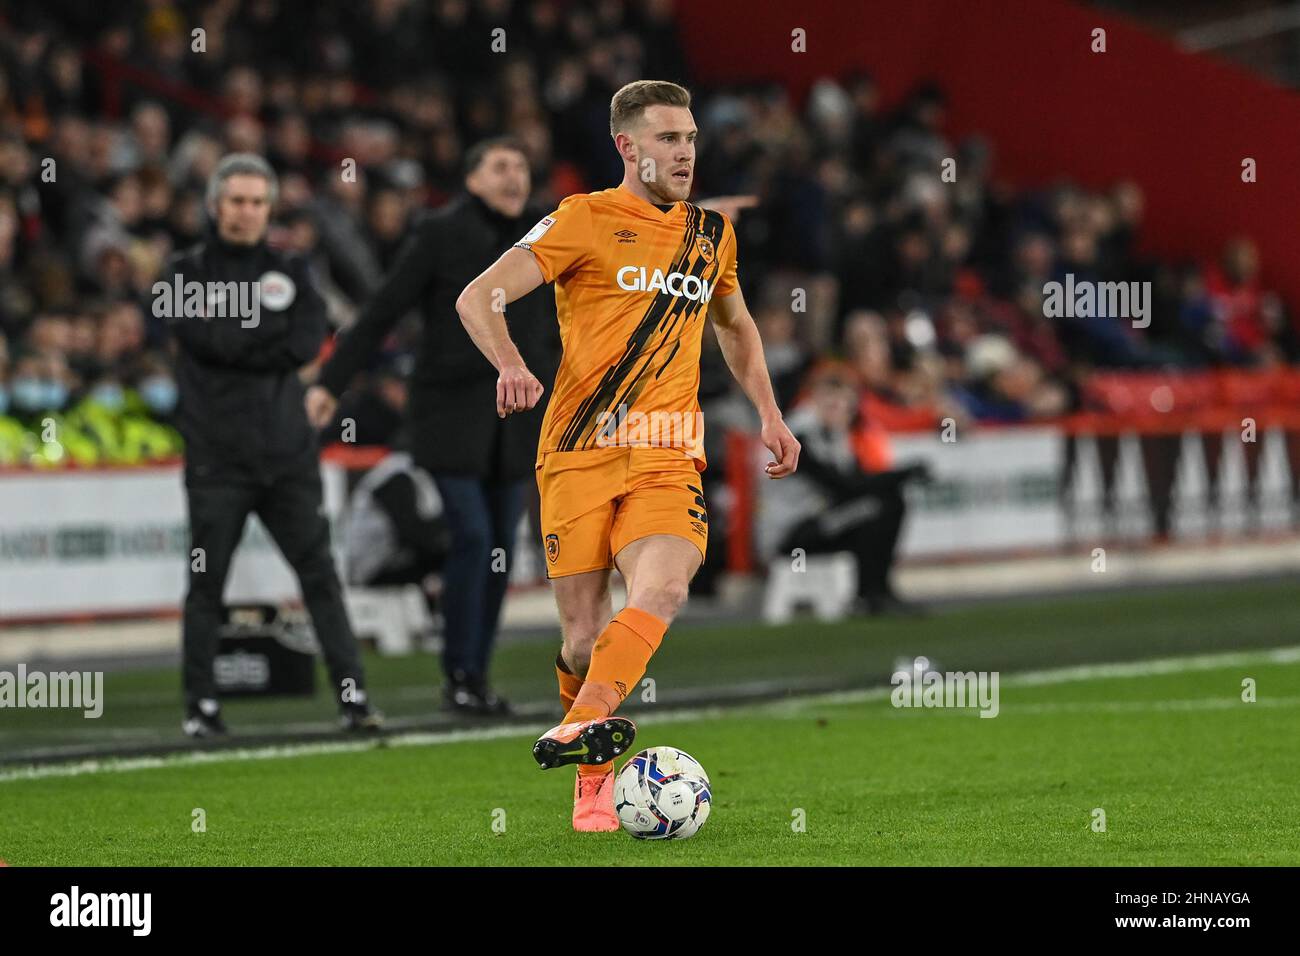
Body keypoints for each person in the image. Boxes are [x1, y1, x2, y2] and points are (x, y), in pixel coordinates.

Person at [456, 80, 800, 831]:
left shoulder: (712, 235)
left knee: (665, 589)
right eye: (669, 140)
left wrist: (770, 412)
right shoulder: (581, 219)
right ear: (628, 147)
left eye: (691, 139)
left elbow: (736, 327)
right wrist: (511, 364)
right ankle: (592, 780)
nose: (685, 154)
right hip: (576, 451)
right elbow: (478, 296)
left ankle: (582, 727)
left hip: (668, 453)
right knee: (583, 641)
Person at [305, 137, 558, 714]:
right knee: (471, 536)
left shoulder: (546, 234)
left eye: (520, 166)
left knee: (499, 547)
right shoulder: (441, 233)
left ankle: (474, 673)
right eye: (499, 166)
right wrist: (329, 382)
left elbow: (565, 324)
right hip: (451, 417)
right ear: (471, 179)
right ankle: (459, 672)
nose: (513, 176)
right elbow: (381, 311)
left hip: (518, 420)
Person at [166, 153, 381, 737]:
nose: (247, 211)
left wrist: (242, 336)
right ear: (215, 206)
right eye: (236, 200)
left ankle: (353, 697)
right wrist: (265, 336)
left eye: (258, 201)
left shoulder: (294, 267)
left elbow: (308, 343)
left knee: (319, 576)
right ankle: (201, 707)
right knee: (206, 582)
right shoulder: (183, 271)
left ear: (268, 207)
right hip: (217, 458)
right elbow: (205, 339)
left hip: (288, 454)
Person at [760, 361, 931, 616]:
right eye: (831, 402)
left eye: (845, 404)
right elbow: (844, 486)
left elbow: (855, 480)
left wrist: (897, 478)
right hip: (790, 531)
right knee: (876, 510)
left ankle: (876, 591)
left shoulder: (833, 432)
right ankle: (870, 594)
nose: (840, 410)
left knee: (887, 502)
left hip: (817, 520)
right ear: (814, 398)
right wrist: (903, 474)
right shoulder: (799, 434)